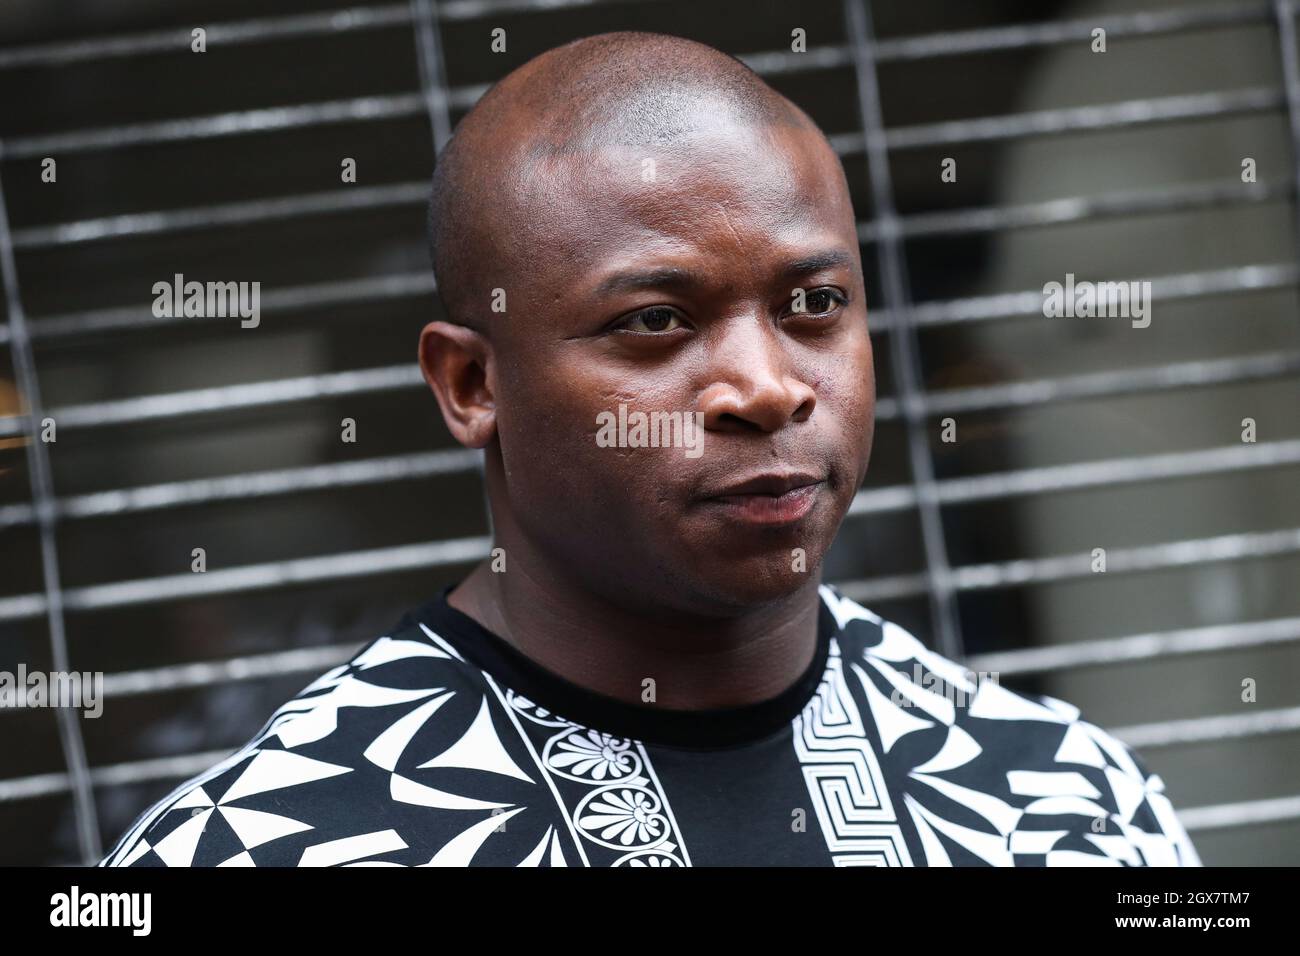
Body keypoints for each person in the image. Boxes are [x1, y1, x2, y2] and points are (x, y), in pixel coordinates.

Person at [100, 31, 1200, 867]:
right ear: (472, 383)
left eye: (814, 304)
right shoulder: (269, 842)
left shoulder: (1059, 800)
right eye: (656, 322)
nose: (768, 386)